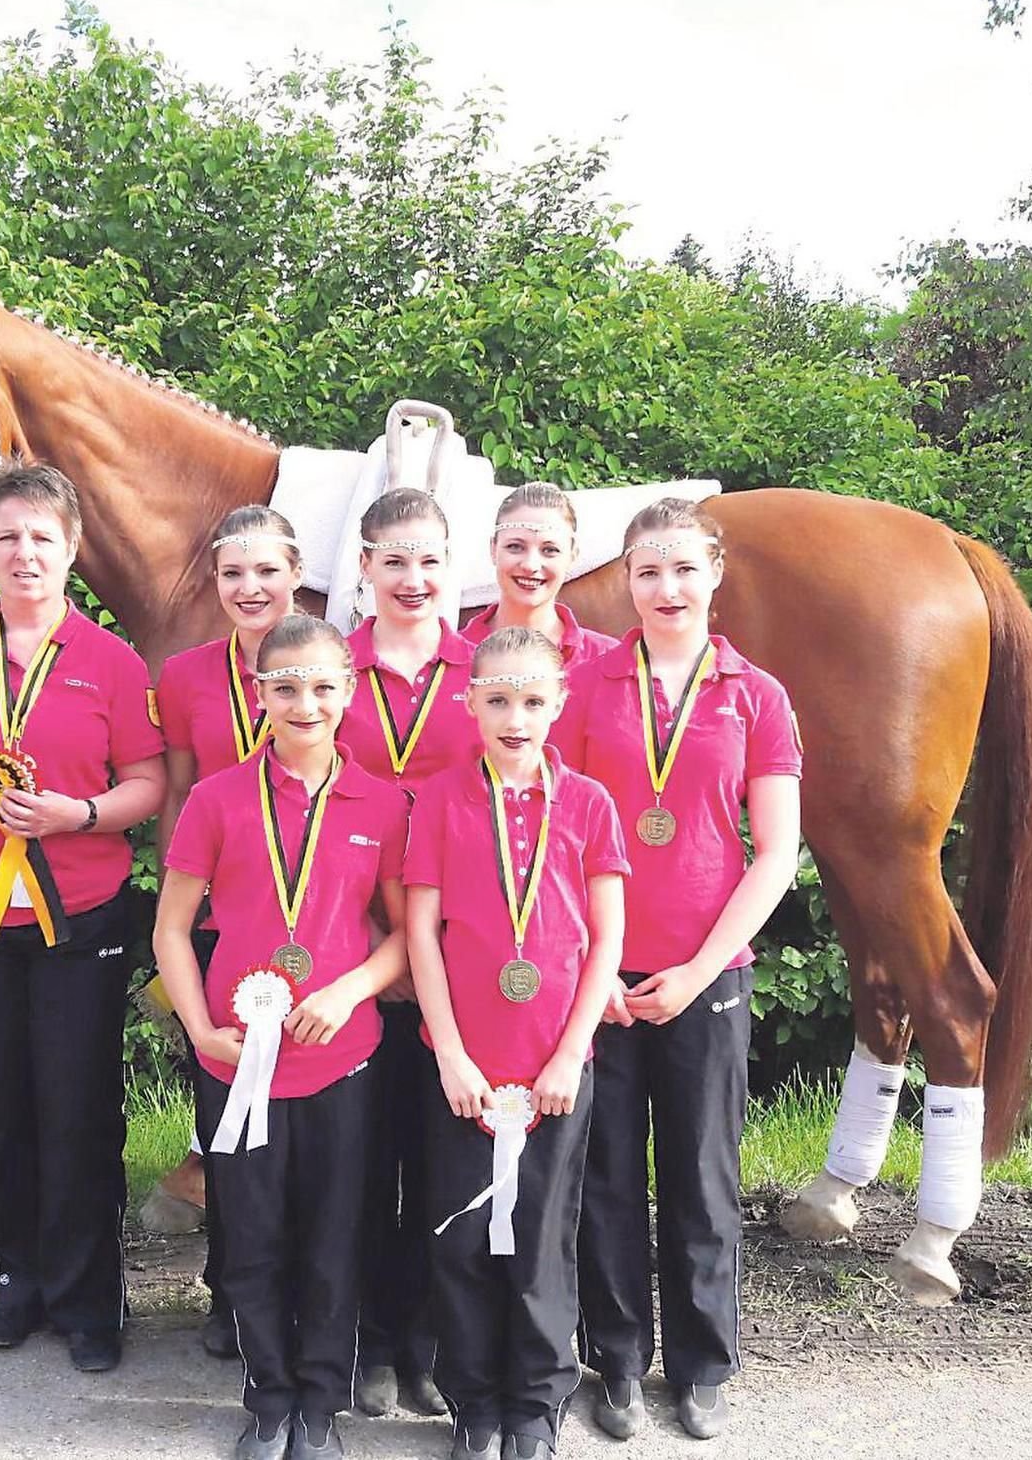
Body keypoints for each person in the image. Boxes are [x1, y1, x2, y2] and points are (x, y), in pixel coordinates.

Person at [0, 465, 166, 1372]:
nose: (25, 553)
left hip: (80, 916)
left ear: (72, 548)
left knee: (79, 1110)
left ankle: (92, 1297)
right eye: (8, 536)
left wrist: (77, 816)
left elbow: (149, 785)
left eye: (42, 537)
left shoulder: (113, 663)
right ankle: (20, 1278)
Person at [553, 498, 803, 1441]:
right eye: (647, 571)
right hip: (603, 975)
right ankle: (614, 1362)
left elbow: (774, 853)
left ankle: (701, 1366)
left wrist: (700, 971)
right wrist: (594, 968)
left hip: (710, 972)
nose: (665, 588)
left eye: (683, 569)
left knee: (701, 1177)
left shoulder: (755, 694)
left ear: (715, 575)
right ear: (625, 577)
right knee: (606, 1175)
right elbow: (564, 836)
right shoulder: (584, 687)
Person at [155, 614, 410, 1460]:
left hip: (343, 1063)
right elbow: (172, 929)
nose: (306, 702)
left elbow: (408, 936)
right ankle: (267, 1399)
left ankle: (320, 1402)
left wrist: (349, 988)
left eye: (324, 686)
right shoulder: (216, 799)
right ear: (259, 695)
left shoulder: (383, 802)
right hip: (238, 1061)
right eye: (287, 686)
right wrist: (200, 1031)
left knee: (336, 1236)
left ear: (350, 692)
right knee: (254, 1233)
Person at [406, 628, 629, 1460]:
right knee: (461, 1235)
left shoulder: (591, 805)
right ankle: (474, 1401)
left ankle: (536, 1405)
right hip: (465, 1064)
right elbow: (422, 935)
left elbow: (606, 941)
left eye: (533, 701)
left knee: (541, 1238)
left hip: (554, 1067)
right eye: (497, 699)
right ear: (468, 702)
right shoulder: (438, 799)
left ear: (559, 705)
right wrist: (450, 1054)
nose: (514, 716)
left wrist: (571, 1052)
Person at [336, 488, 482, 1419]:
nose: (413, 578)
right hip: (345, 948)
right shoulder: (327, 670)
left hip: (459, 951)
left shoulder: (484, 671)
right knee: (359, 1157)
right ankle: (366, 1343)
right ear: (363, 568)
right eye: (394, 560)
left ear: (451, 566)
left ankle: (427, 1343)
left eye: (429, 560)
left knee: (439, 1159)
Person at [152, 504, 307, 1359]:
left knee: (307, 1120)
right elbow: (177, 794)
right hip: (220, 927)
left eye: (265, 572)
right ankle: (232, 1294)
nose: (250, 589)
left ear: (296, 575)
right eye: (232, 574)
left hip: (312, 927)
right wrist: (181, 910)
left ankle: (317, 1294)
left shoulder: (327, 667)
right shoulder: (183, 677)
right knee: (225, 1117)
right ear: (215, 583)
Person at [460, 482, 619, 675]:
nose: (530, 565)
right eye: (515, 547)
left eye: (549, 550)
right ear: (493, 549)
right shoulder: (449, 658)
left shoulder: (610, 661)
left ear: (572, 555)